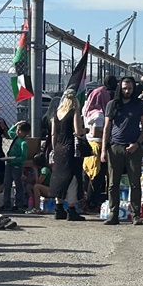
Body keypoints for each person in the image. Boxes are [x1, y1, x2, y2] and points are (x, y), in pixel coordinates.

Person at [102, 76, 143, 225]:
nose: (127, 91)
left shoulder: (139, 105)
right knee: (112, 184)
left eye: (129, 88)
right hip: (115, 147)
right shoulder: (112, 104)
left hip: (133, 148)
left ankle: (135, 214)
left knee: (135, 182)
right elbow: (107, 128)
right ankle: (113, 214)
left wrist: (137, 144)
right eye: (124, 88)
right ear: (120, 88)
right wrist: (104, 149)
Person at [49, 88, 87, 221]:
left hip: (59, 147)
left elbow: (53, 133)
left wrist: (54, 148)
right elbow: (78, 131)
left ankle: (59, 208)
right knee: (72, 177)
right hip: (70, 148)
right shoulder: (74, 112)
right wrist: (85, 130)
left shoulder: (56, 113)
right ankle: (71, 209)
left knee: (59, 177)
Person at [82, 81, 111, 212]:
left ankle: (90, 200)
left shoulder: (86, 109)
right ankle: (91, 202)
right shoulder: (98, 113)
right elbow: (96, 131)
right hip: (97, 146)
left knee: (90, 175)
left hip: (89, 144)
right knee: (96, 176)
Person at [2, 121, 30, 211]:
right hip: (9, 165)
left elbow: (23, 156)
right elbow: (10, 132)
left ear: (25, 133)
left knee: (18, 185)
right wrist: (16, 124)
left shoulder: (23, 143)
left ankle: (19, 204)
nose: (17, 132)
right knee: (7, 184)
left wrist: (14, 160)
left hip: (17, 166)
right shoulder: (16, 138)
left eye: (19, 130)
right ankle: (6, 203)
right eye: (17, 130)